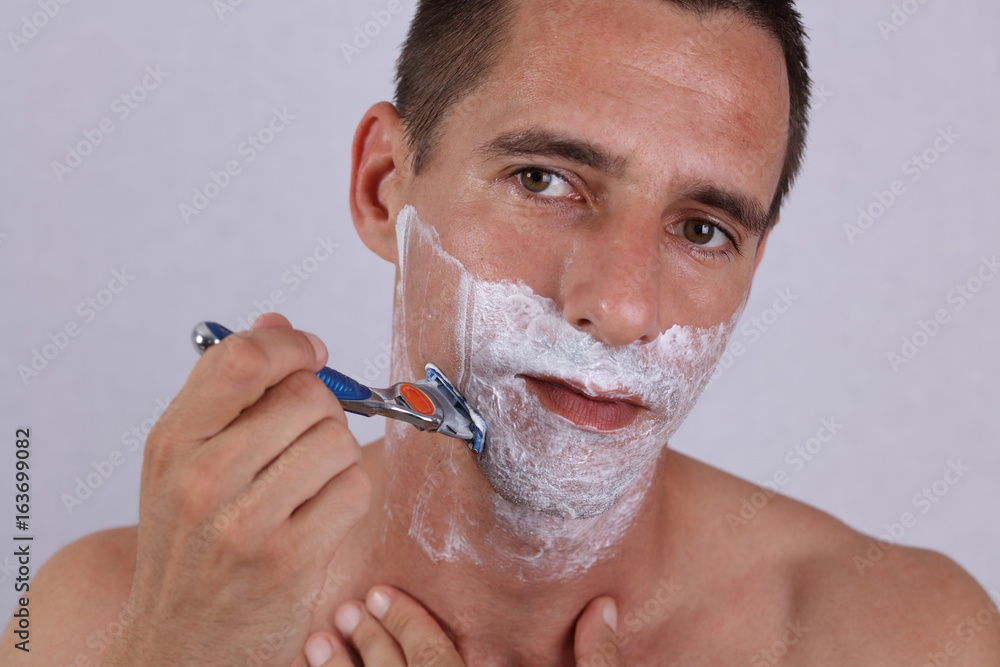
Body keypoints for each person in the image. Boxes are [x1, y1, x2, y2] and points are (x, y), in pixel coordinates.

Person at [5, 1, 999, 665]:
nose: (622, 308)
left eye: (703, 229)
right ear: (383, 185)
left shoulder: (903, 637)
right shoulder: (104, 619)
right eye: (544, 180)